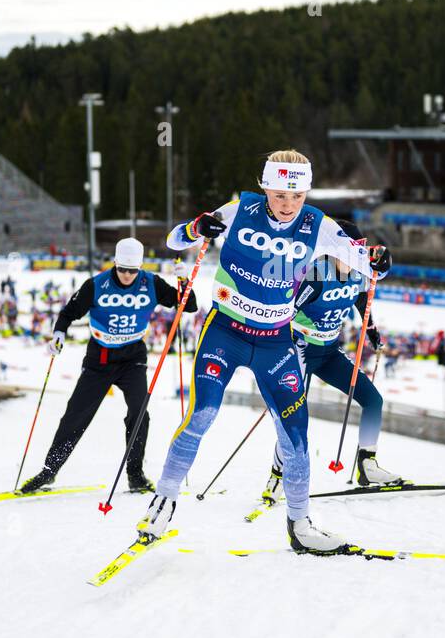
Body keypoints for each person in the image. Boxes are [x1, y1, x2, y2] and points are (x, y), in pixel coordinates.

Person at [138, 149, 390, 554]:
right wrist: (196, 228)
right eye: (279, 195)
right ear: (265, 187)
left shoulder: (318, 224)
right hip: (225, 332)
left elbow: (368, 262)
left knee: (295, 434)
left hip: (275, 342)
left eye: (297, 196)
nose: (288, 205)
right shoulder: (241, 209)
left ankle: (300, 523)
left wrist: (379, 259)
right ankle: (164, 500)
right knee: (202, 414)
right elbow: (174, 240)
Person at [19, 238, 197, 495]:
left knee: (139, 414)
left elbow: (187, 306)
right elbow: (68, 312)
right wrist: (58, 334)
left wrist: (184, 282)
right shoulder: (97, 284)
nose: (126, 275)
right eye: (122, 269)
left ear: (140, 267)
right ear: (115, 263)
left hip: (132, 358)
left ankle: (135, 476)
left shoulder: (151, 283)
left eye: (132, 270)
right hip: (99, 359)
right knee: (75, 415)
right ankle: (49, 471)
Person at [256, 219, 398, 508]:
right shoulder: (316, 274)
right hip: (302, 349)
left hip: (330, 351)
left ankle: (367, 465)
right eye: (349, 248)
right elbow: (287, 309)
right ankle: (277, 475)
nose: (355, 253)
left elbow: (362, 300)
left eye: (359, 247)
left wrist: (370, 329)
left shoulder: (360, 273)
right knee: (295, 416)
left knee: (373, 401)